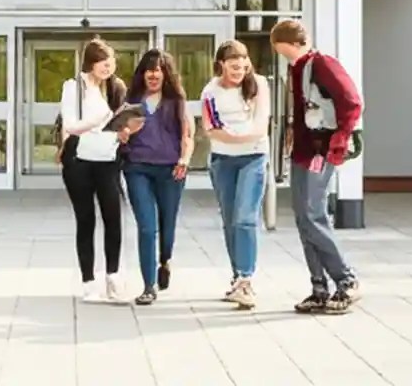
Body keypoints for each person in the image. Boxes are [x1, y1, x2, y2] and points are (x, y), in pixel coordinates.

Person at [269, 18, 363, 315]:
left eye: (285, 51)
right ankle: (319, 288)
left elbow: (352, 101)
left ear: (297, 43)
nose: (285, 57)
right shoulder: (297, 68)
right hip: (303, 151)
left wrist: (341, 138)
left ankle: (346, 280)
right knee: (303, 218)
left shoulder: (322, 64)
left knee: (313, 214)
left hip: (321, 151)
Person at [58, 37, 132, 303]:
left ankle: (113, 277)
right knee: (85, 218)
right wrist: (99, 120)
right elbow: (71, 125)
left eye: (110, 62)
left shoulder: (115, 87)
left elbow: (122, 124)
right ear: (90, 62)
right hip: (79, 157)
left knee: (113, 215)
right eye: (102, 62)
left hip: (108, 157)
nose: (106, 67)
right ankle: (89, 281)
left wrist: (125, 131)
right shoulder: (74, 87)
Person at [118, 49, 194, 306]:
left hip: (170, 170)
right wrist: (125, 133)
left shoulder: (176, 101)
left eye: (158, 70)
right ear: (142, 74)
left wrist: (184, 159)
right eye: (149, 69)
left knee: (167, 225)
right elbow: (120, 134)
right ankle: (148, 285)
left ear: (166, 74)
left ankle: (165, 260)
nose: (153, 74)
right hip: (137, 167)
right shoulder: (132, 101)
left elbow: (187, 135)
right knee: (147, 226)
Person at [201, 40, 270, 310]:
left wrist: (235, 136)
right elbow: (210, 128)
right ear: (221, 66)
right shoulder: (211, 90)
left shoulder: (259, 85)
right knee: (230, 220)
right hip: (222, 161)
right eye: (233, 67)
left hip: (253, 158)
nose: (238, 71)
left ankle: (246, 279)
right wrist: (233, 137)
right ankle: (237, 277)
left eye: (242, 66)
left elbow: (261, 126)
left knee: (245, 218)